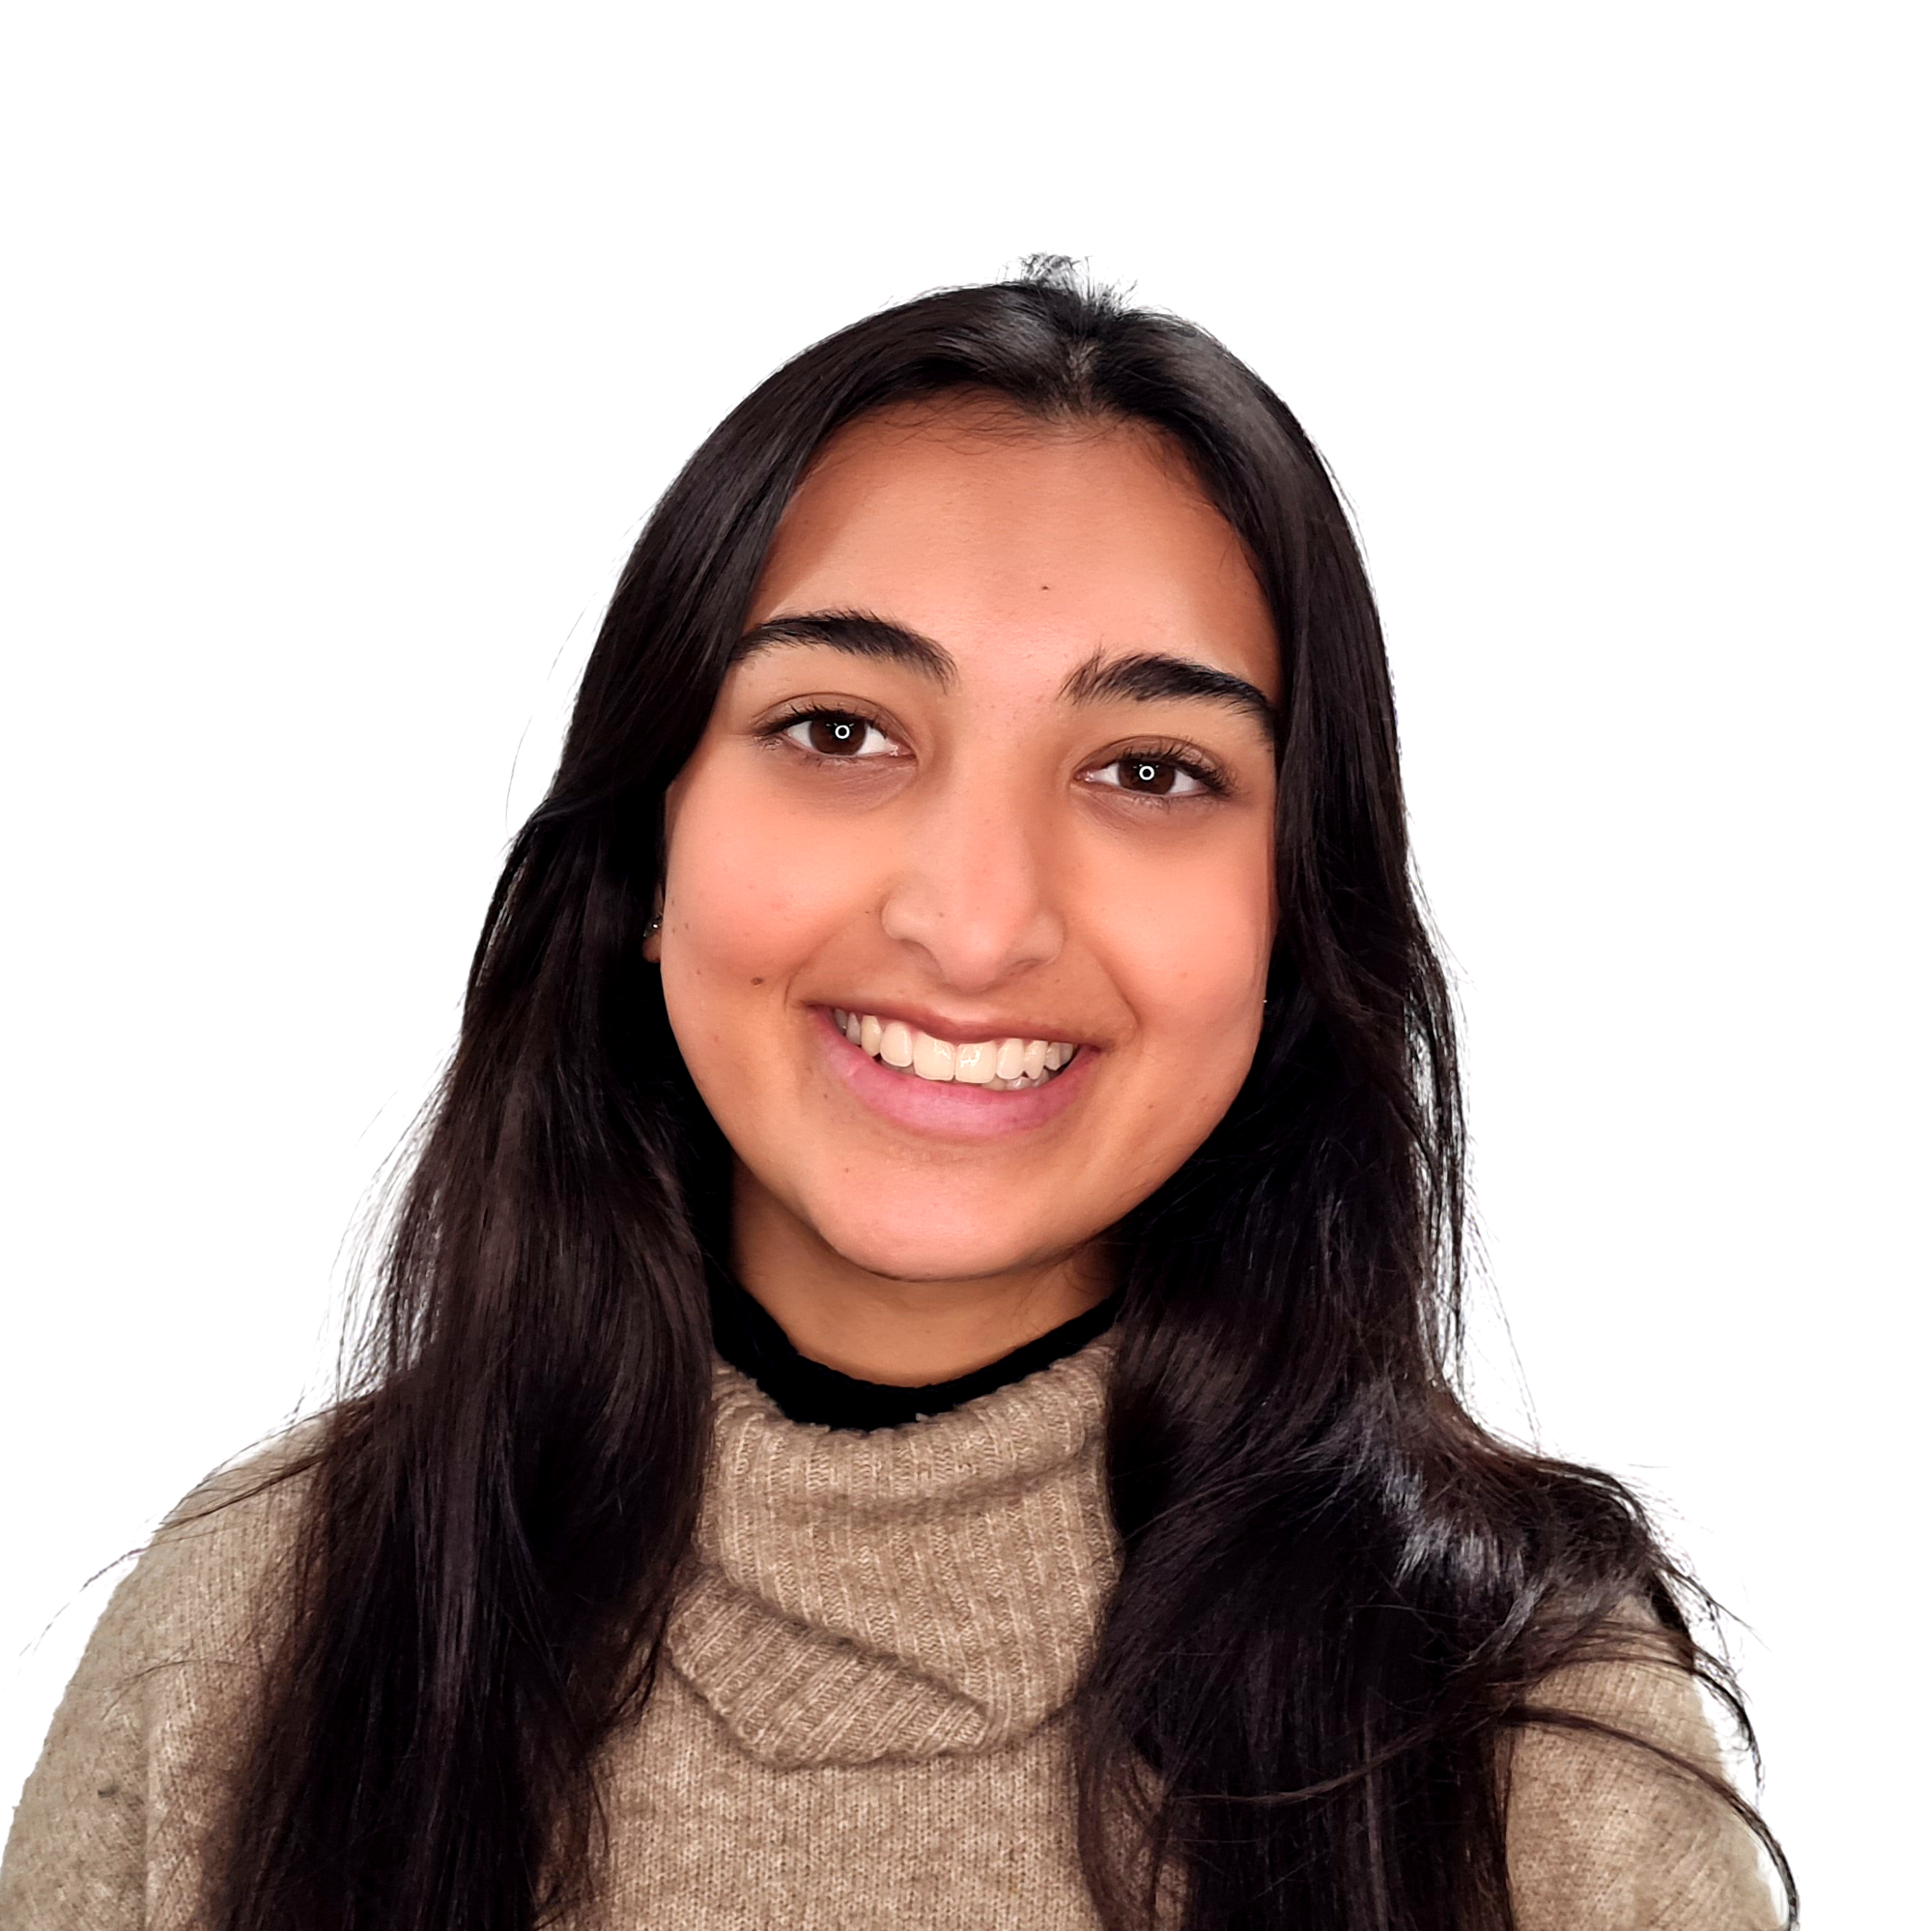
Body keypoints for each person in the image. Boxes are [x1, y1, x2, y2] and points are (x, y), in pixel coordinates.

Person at [0, 257, 1793, 1931]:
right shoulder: (258, 1634)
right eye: (839, 732)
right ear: (643, 854)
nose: (977, 923)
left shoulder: (1523, 1726)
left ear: (1293, 916)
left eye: (1153, 767)